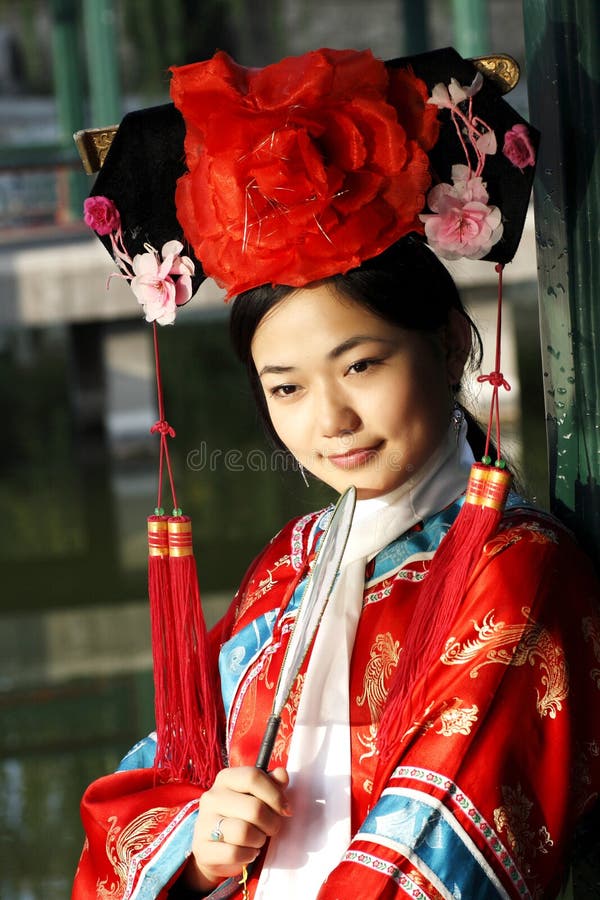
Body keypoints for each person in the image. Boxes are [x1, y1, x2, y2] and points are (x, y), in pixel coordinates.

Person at [73, 46, 600, 900]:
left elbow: (433, 866)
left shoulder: (516, 573)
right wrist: (203, 853)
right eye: (286, 387)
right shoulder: (294, 560)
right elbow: (164, 777)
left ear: (448, 345)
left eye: (361, 366)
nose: (330, 421)